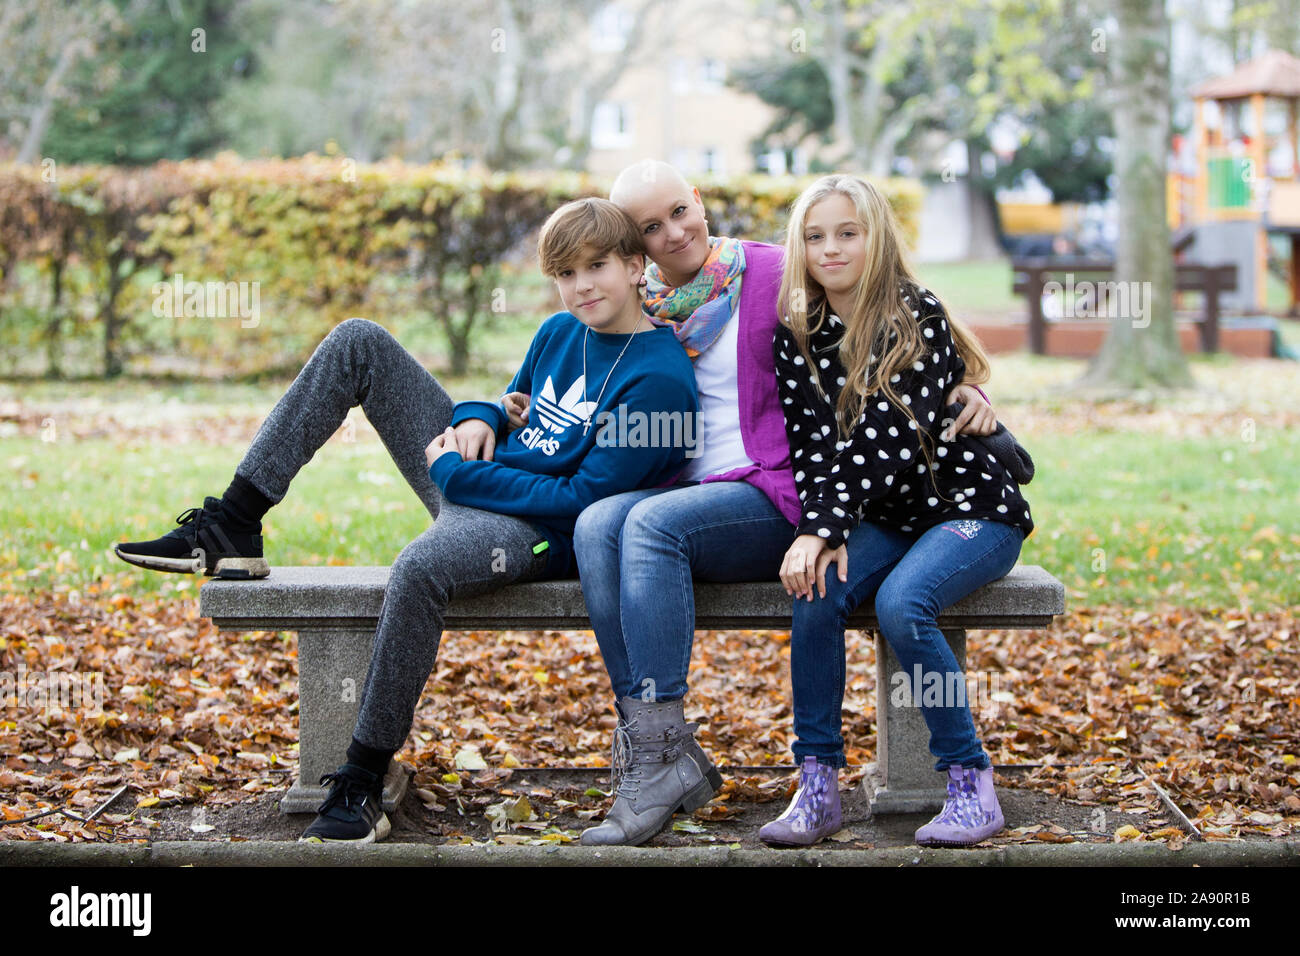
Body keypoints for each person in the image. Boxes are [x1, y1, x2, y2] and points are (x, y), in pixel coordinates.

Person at [114, 198, 699, 843]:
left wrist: (455, 472)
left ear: (635, 264)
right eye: (565, 273)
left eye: (597, 267)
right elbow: (510, 403)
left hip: (534, 532)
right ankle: (233, 522)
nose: (581, 286)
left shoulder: (659, 380)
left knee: (418, 568)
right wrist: (475, 415)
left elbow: (581, 499)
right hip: (483, 477)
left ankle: (362, 777)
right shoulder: (560, 332)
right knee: (359, 341)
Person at [564, 160, 998, 848]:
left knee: (649, 525)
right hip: (708, 490)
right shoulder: (633, 304)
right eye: (650, 227)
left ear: (699, 201)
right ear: (632, 244)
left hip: (785, 491)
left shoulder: (776, 277)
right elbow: (559, 373)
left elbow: (893, 358)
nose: (674, 233)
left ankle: (663, 756)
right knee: (597, 525)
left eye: (680, 211)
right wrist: (495, 410)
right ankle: (655, 745)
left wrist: (967, 389)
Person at [762, 173, 1034, 848]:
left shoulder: (915, 316)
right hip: (885, 516)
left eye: (848, 233)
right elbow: (813, 448)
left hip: (970, 509)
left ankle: (970, 780)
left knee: (902, 604)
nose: (831, 249)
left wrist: (823, 526)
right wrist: (821, 536)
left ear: (877, 237)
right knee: (815, 590)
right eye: (815, 235)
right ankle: (818, 780)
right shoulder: (799, 333)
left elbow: (890, 439)